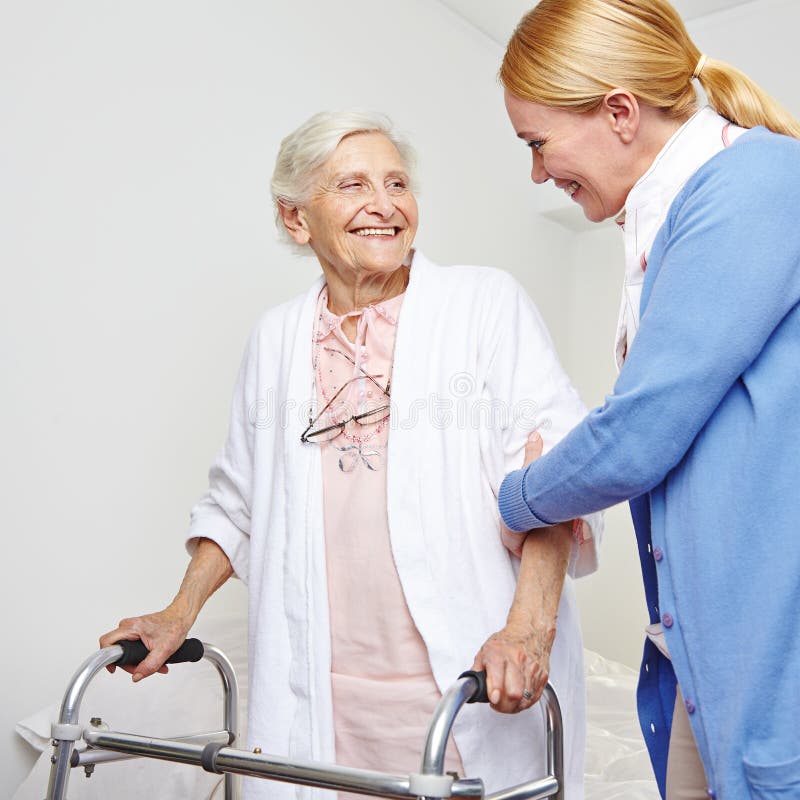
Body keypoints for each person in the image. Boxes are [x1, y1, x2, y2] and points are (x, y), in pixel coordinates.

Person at [100, 110, 602, 799]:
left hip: (467, 682)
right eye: (354, 184)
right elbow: (236, 501)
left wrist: (529, 629)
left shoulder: (484, 304)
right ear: (297, 220)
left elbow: (558, 476)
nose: (385, 204)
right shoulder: (275, 338)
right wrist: (177, 613)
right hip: (322, 696)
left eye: (397, 182)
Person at [496, 2, 800, 799]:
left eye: (537, 143)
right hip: (700, 661)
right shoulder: (669, 225)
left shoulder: (753, 184)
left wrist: (520, 497)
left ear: (620, 112)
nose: (537, 173)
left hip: (770, 670)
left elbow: (639, 434)